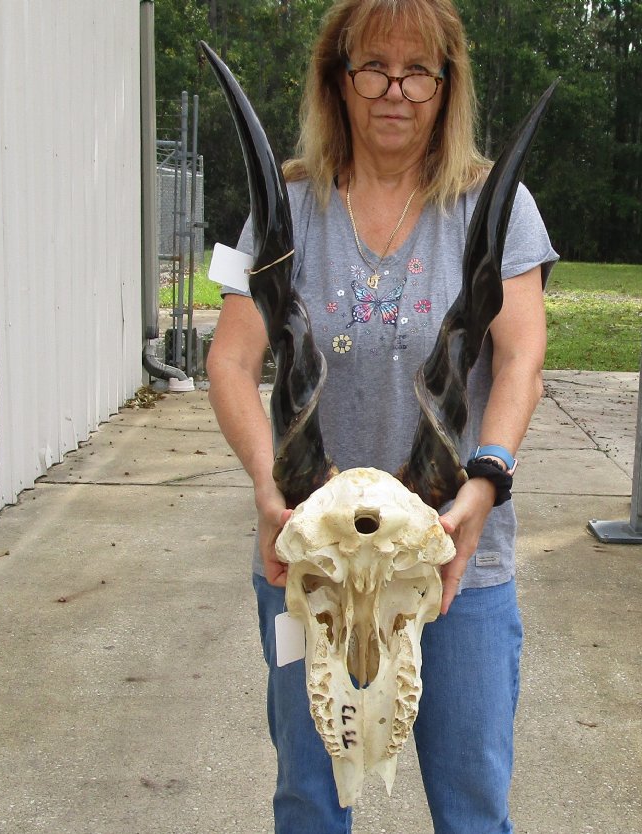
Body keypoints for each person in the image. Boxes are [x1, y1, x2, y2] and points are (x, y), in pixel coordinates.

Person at [207, 1, 558, 831]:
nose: (394, 91)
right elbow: (230, 360)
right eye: (372, 67)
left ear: (447, 84)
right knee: (309, 794)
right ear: (338, 78)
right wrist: (270, 485)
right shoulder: (285, 208)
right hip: (314, 563)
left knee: (471, 800)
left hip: (453, 558)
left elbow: (520, 360)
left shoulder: (493, 209)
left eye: (418, 71)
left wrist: (487, 477)